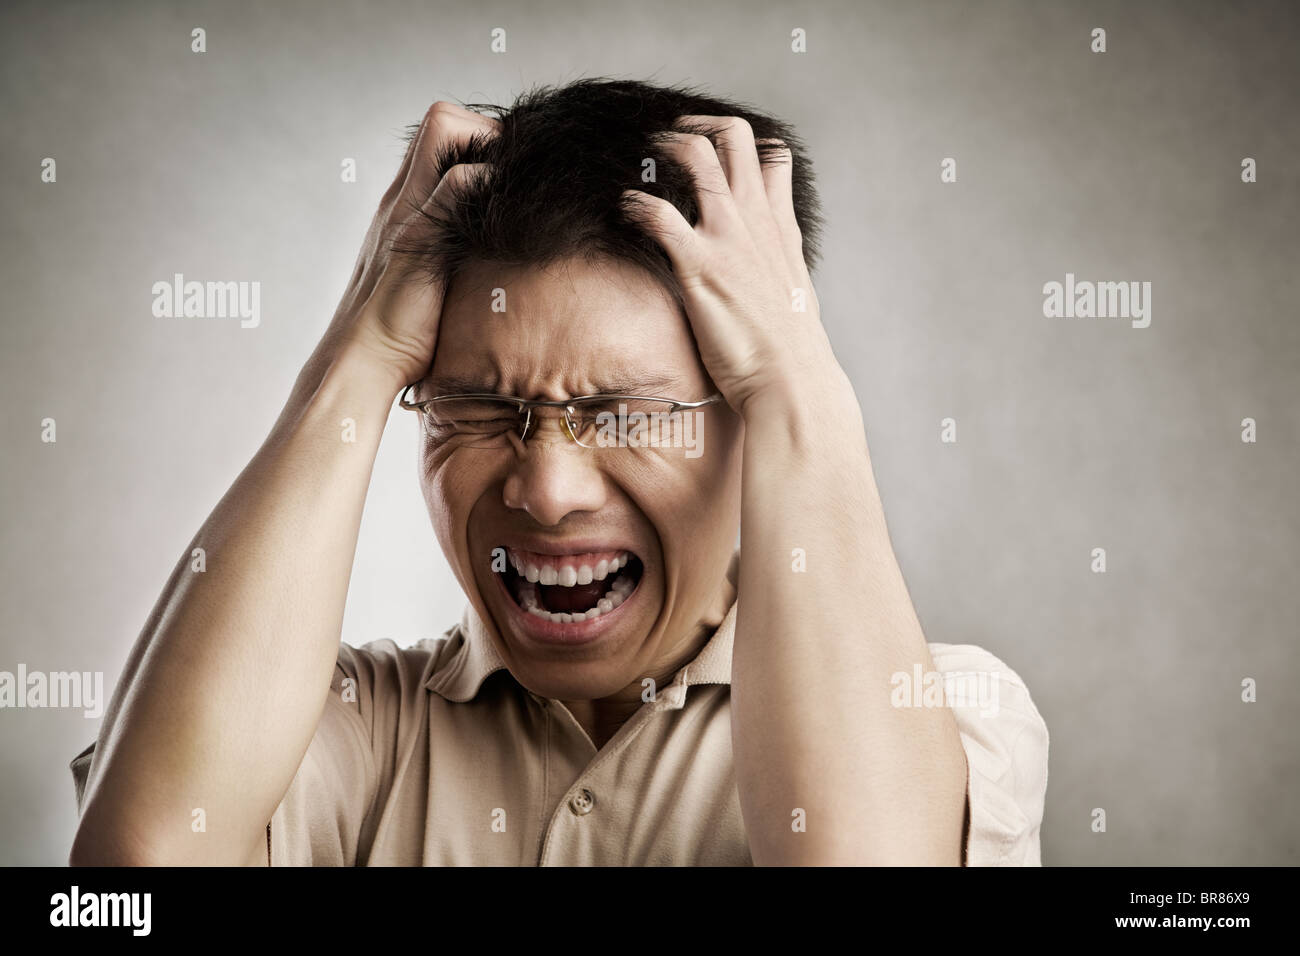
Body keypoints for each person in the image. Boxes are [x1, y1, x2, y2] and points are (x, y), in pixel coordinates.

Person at [69, 78, 1048, 866]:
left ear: (746, 424)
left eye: (626, 411)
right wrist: (352, 362)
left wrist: (801, 386)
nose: (545, 489)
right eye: (479, 407)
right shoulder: (349, 734)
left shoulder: (947, 711)